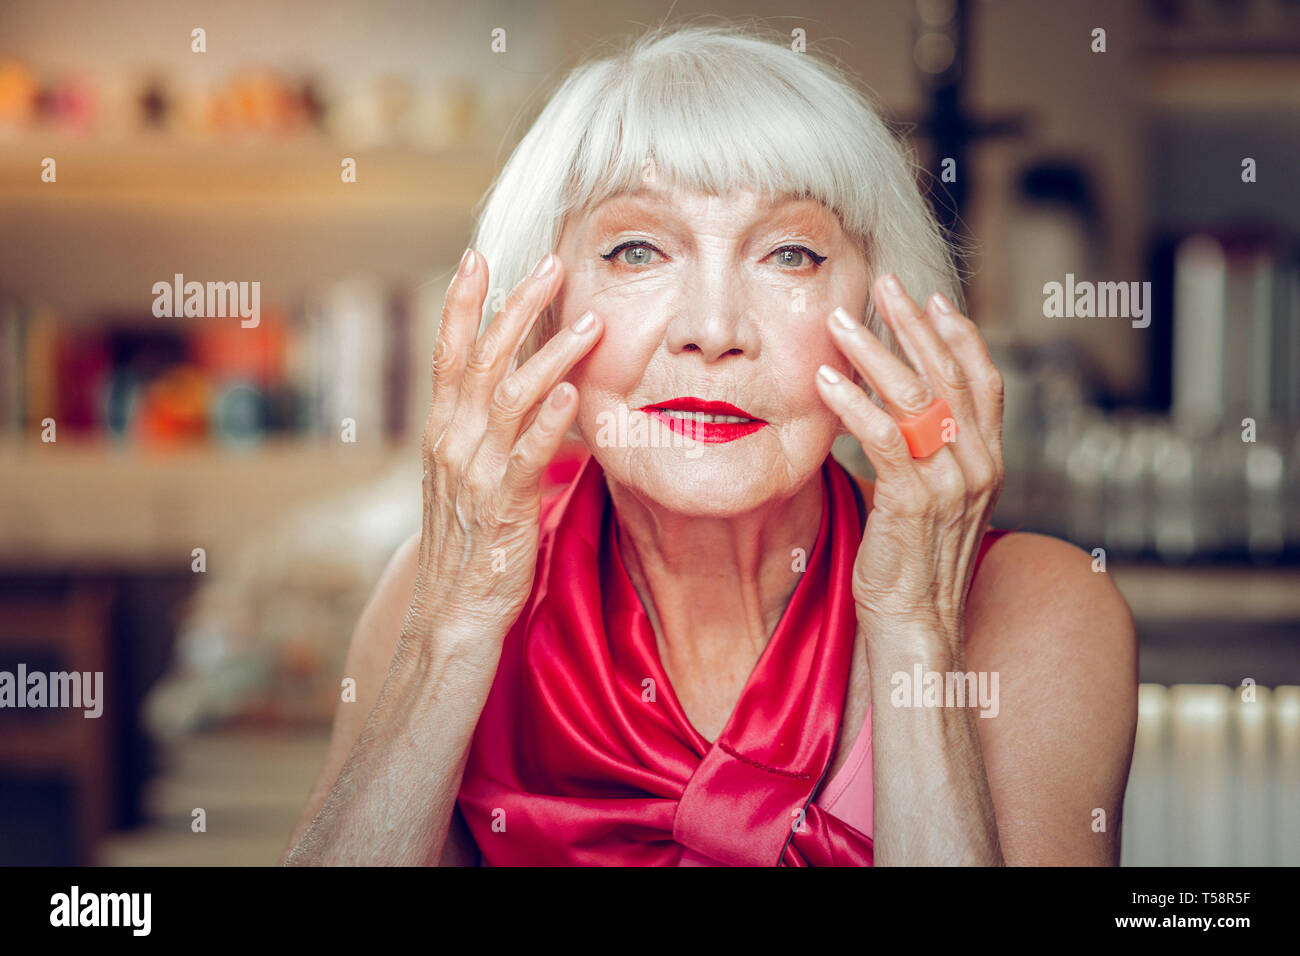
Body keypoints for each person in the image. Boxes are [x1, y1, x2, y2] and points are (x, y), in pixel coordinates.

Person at [282, 23, 1137, 866]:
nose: (714, 329)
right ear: (540, 316)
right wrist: (456, 627)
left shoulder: (1039, 611)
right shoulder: (428, 594)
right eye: (638, 250)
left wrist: (914, 625)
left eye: (790, 254)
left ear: (880, 318)